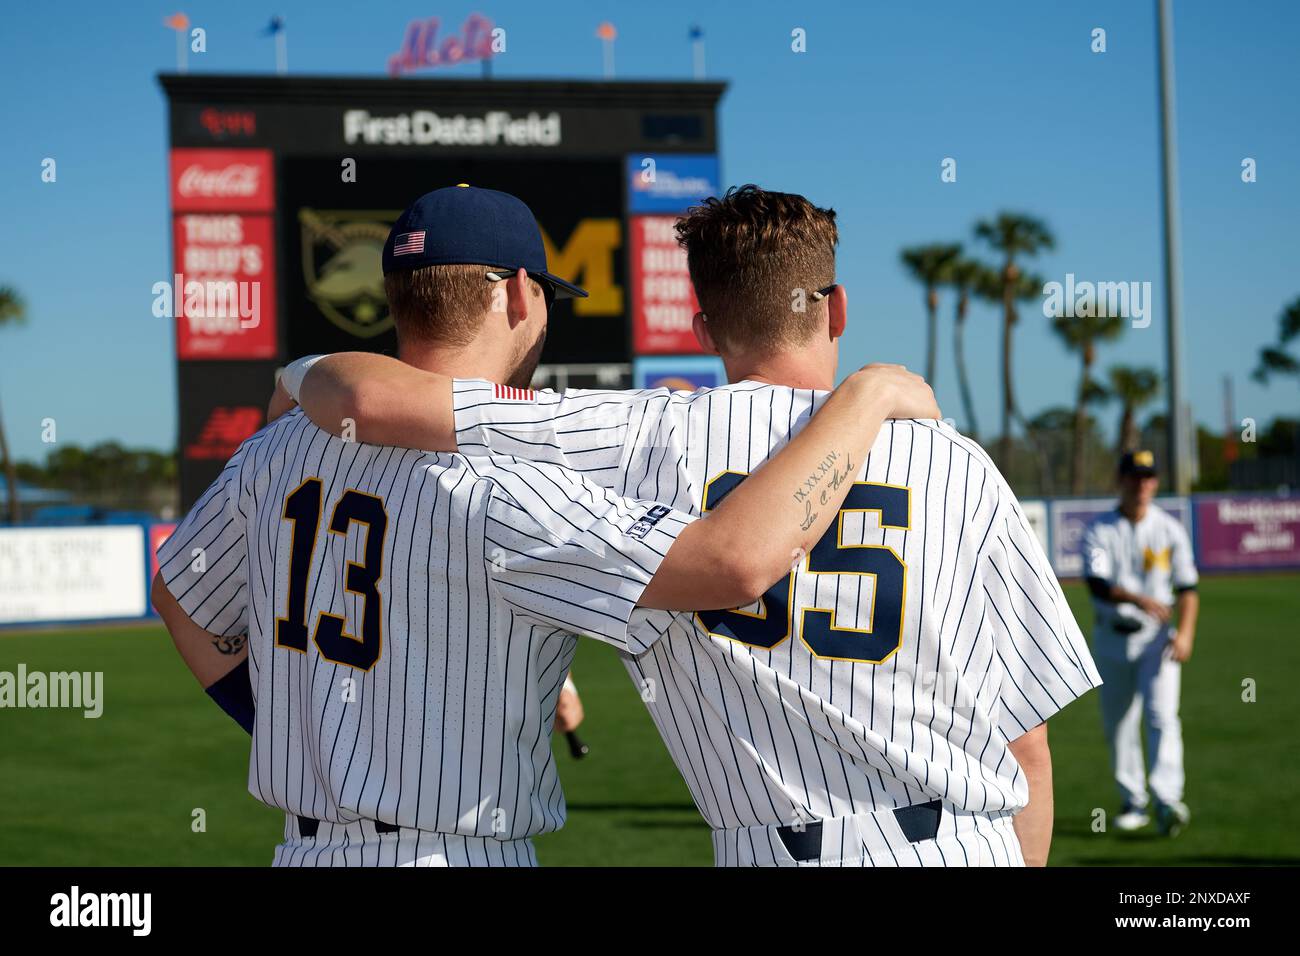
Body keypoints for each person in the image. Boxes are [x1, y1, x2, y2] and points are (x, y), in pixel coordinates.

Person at [280, 185, 1101, 866]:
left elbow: (376, 401)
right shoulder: (956, 462)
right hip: (965, 843)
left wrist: (294, 374)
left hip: (767, 848)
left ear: (702, 326)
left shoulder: (640, 438)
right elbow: (1026, 743)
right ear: (837, 307)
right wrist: (873, 392)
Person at [152, 183, 940, 867]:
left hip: (301, 847)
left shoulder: (280, 444)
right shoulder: (514, 477)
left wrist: (292, 732)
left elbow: (182, 598)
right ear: (520, 295)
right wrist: (865, 397)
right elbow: (729, 562)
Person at [1081, 450, 1199, 836]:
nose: (1142, 484)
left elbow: (1188, 588)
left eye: (1148, 477)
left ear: (1156, 482)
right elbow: (1096, 583)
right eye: (1135, 476)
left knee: (1162, 717)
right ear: (1122, 480)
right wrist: (1137, 599)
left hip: (1157, 641)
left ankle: (1168, 800)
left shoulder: (1169, 528)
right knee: (1120, 725)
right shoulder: (1100, 529)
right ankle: (1134, 800)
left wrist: (1185, 633)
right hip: (1113, 637)